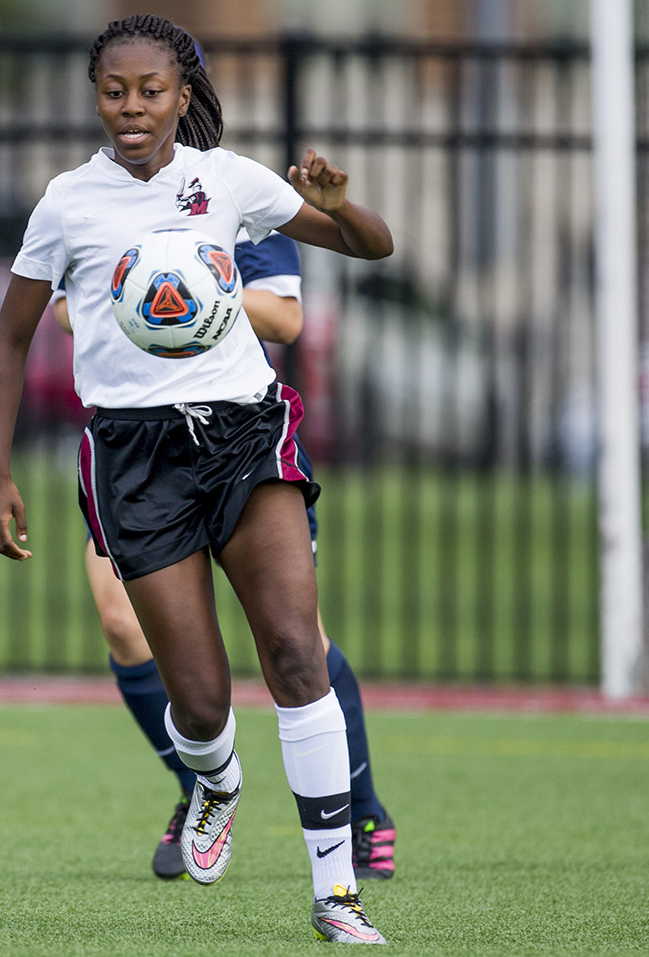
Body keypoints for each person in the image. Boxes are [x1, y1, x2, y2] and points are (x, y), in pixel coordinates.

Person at [0, 14, 394, 944]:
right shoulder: (66, 204)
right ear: (98, 96)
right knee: (202, 703)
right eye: (115, 91)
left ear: (181, 96)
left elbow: (373, 248)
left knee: (294, 650)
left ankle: (336, 893)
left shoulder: (227, 182)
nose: (133, 108)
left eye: (151, 91)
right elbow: (8, 343)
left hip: (246, 434)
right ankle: (214, 778)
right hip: (135, 457)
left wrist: (339, 200)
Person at [51, 230, 397, 883]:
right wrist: (136, 298)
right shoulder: (107, 204)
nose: (137, 123)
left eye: (159, 118)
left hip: (240, 442)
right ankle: (201, 786)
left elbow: (285, 316)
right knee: (122, 623)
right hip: (139, 443)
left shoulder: (240, 205)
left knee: (301, 644)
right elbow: (66, 308)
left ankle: (365, 813)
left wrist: (197, 290)